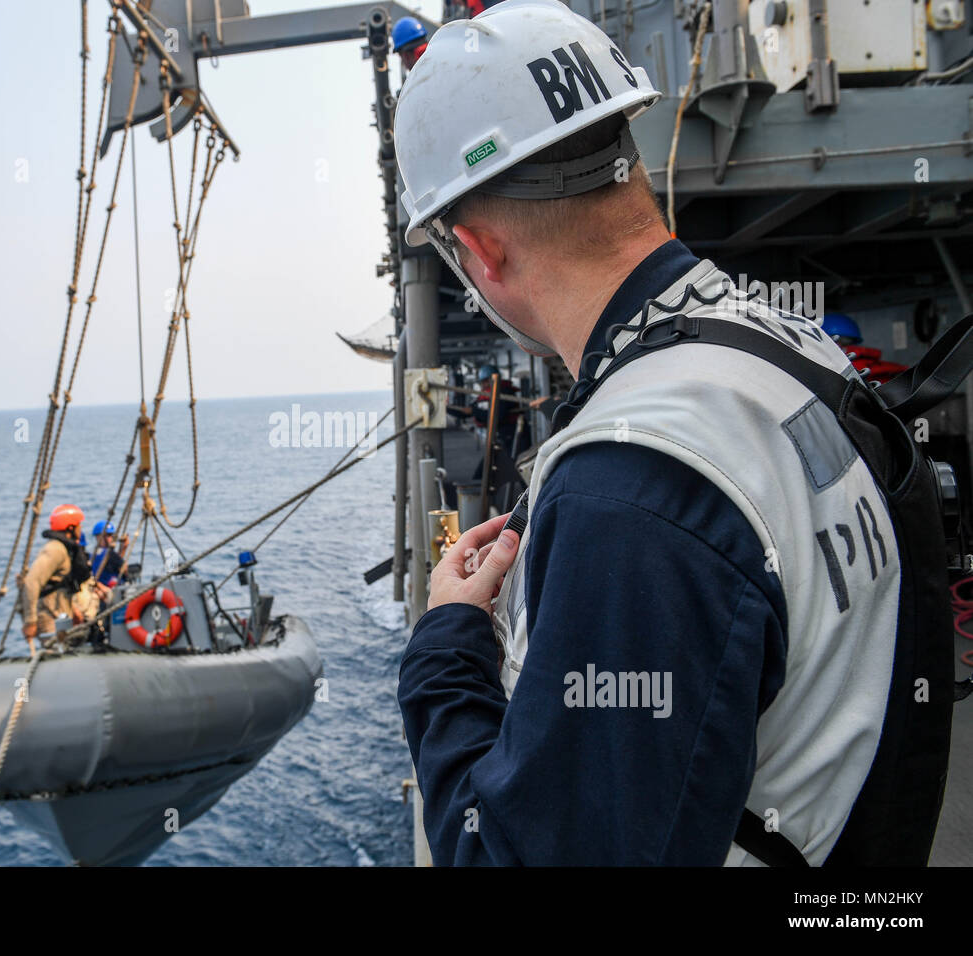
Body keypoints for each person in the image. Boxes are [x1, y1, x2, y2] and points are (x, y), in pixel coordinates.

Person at [393, 0, 949, 866]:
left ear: (478, 250)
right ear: (627, 157)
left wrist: (447, 646)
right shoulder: (793, 347)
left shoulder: (629, 488)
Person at [20, 504, 106, 653]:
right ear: (71, 527)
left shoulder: (65, 549)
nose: (80, 529)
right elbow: (32, 582)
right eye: (78, 525)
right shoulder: (55, 549)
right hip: (49, 616)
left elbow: (63, 584)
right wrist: (30, 621)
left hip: (61, 614)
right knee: (54, 653)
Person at [90, 520, 131, 591]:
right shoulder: (110, 554)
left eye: (111, 535)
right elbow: (124, 570)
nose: (111, 538)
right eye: (108, 535)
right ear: (99, 537)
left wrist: (123, 549)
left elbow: (114, 563)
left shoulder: (92, 554)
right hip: (112, 591)